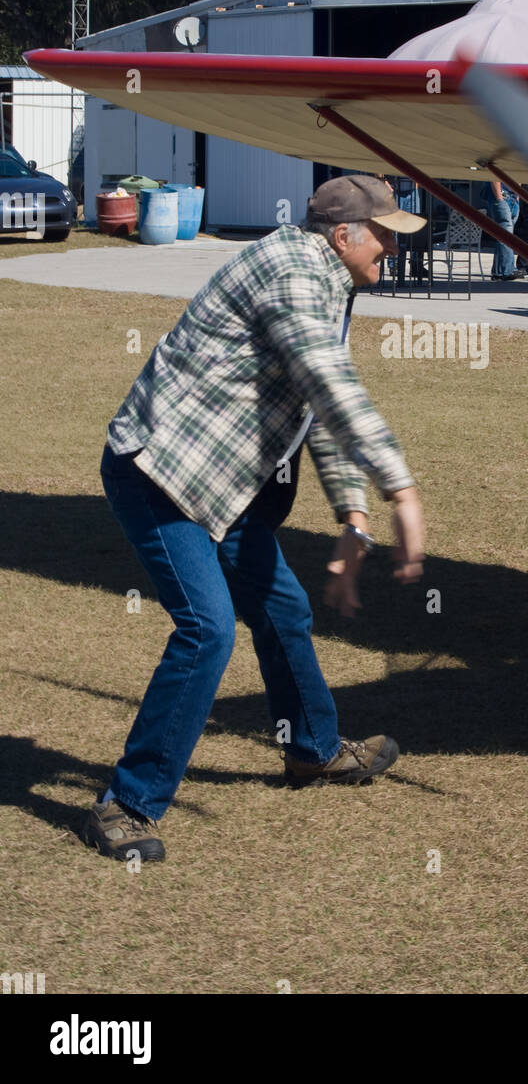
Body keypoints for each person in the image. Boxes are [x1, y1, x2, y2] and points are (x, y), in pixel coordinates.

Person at [87, 175, 427, 863]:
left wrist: (353, 512)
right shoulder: (292, 273)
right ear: (344, 236)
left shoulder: (326, 279)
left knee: (284, 610)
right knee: (207, 631)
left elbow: (316, 403)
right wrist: (401, 488)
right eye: (385, 235)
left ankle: (313, 752)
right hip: (160, 473)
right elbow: (332, 384)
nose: (392, 248)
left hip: (223, 486)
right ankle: (125, 805)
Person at [483, 179, 522, 280]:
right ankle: (507, 270)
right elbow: (494, 178)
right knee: (506, 235)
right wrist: (499, 198)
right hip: (502, 197)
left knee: (504, 236)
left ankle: (498, 272)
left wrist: (517, 197)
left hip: (512, 199)